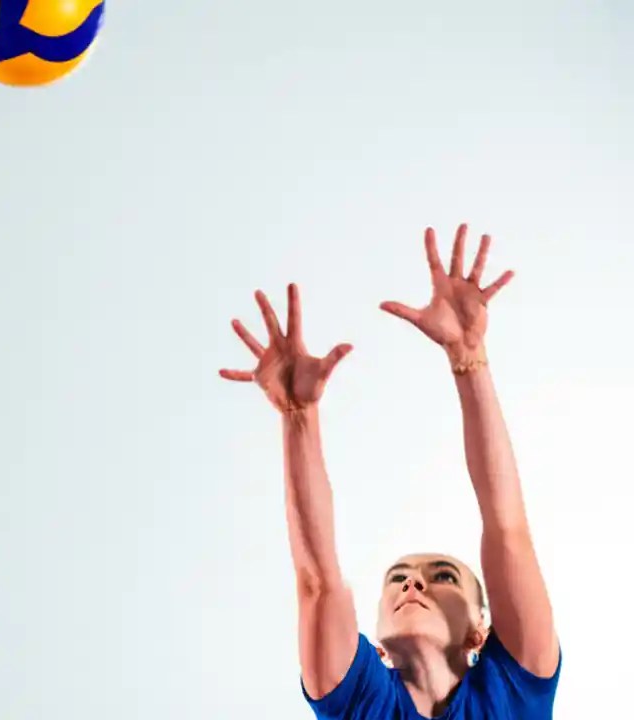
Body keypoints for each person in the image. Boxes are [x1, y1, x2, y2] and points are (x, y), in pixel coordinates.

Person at [220, 225, 561, 718]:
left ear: (479, 631)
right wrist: (297, 417)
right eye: (398, 578)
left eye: (443, 576)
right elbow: (317, 581)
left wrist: (469, 359)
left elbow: (507, 529)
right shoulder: (361, 698)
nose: (411, 585)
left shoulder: (516, 689)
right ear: (376, 641)